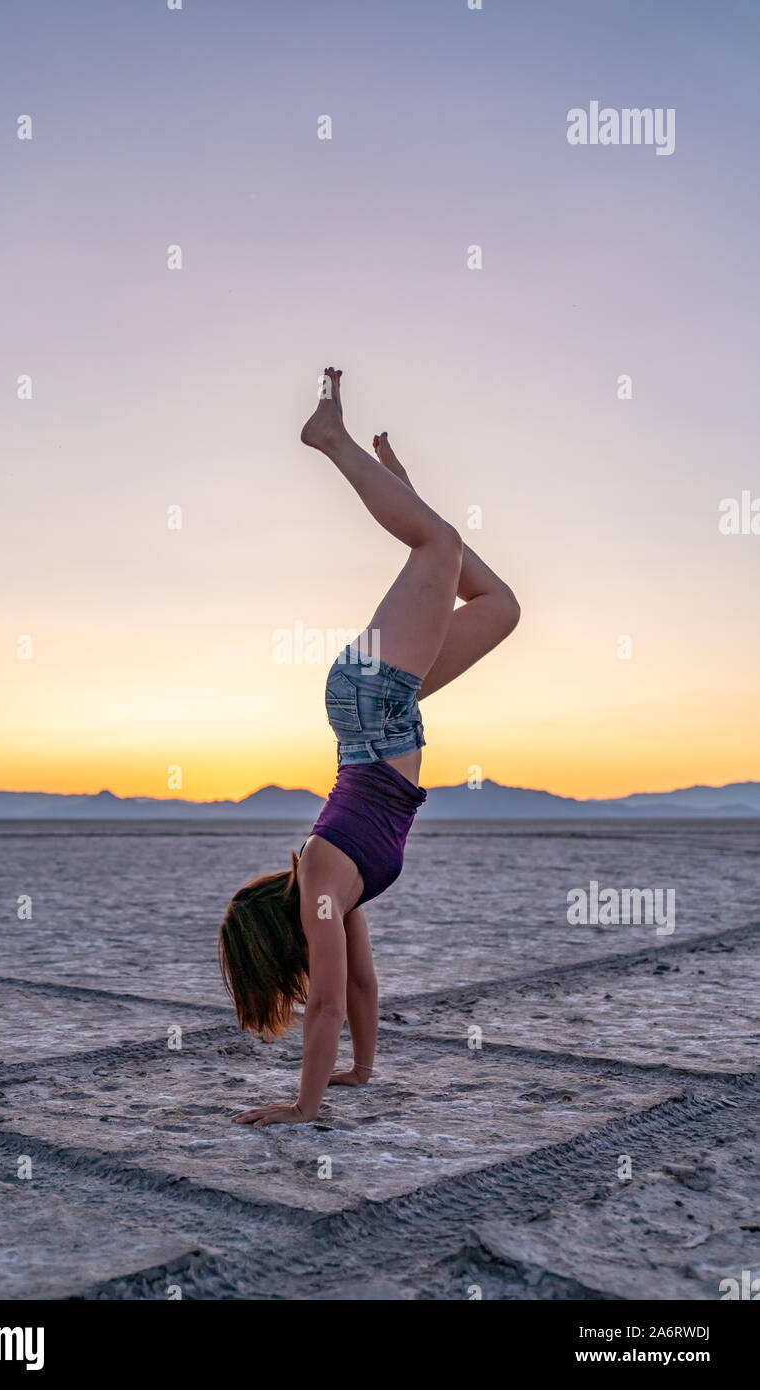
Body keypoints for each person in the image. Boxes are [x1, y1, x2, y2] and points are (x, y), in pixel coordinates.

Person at [219, 367, 520, 1126]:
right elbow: (356, 990)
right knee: (498, 605)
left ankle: (331, 442)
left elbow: (322, 1001)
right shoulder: (340, 892)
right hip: (386, 708)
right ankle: (410, 508)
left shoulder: (322, 874)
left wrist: (302, 1106)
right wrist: (360, 1068)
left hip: (370, 705)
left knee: (439, 544)